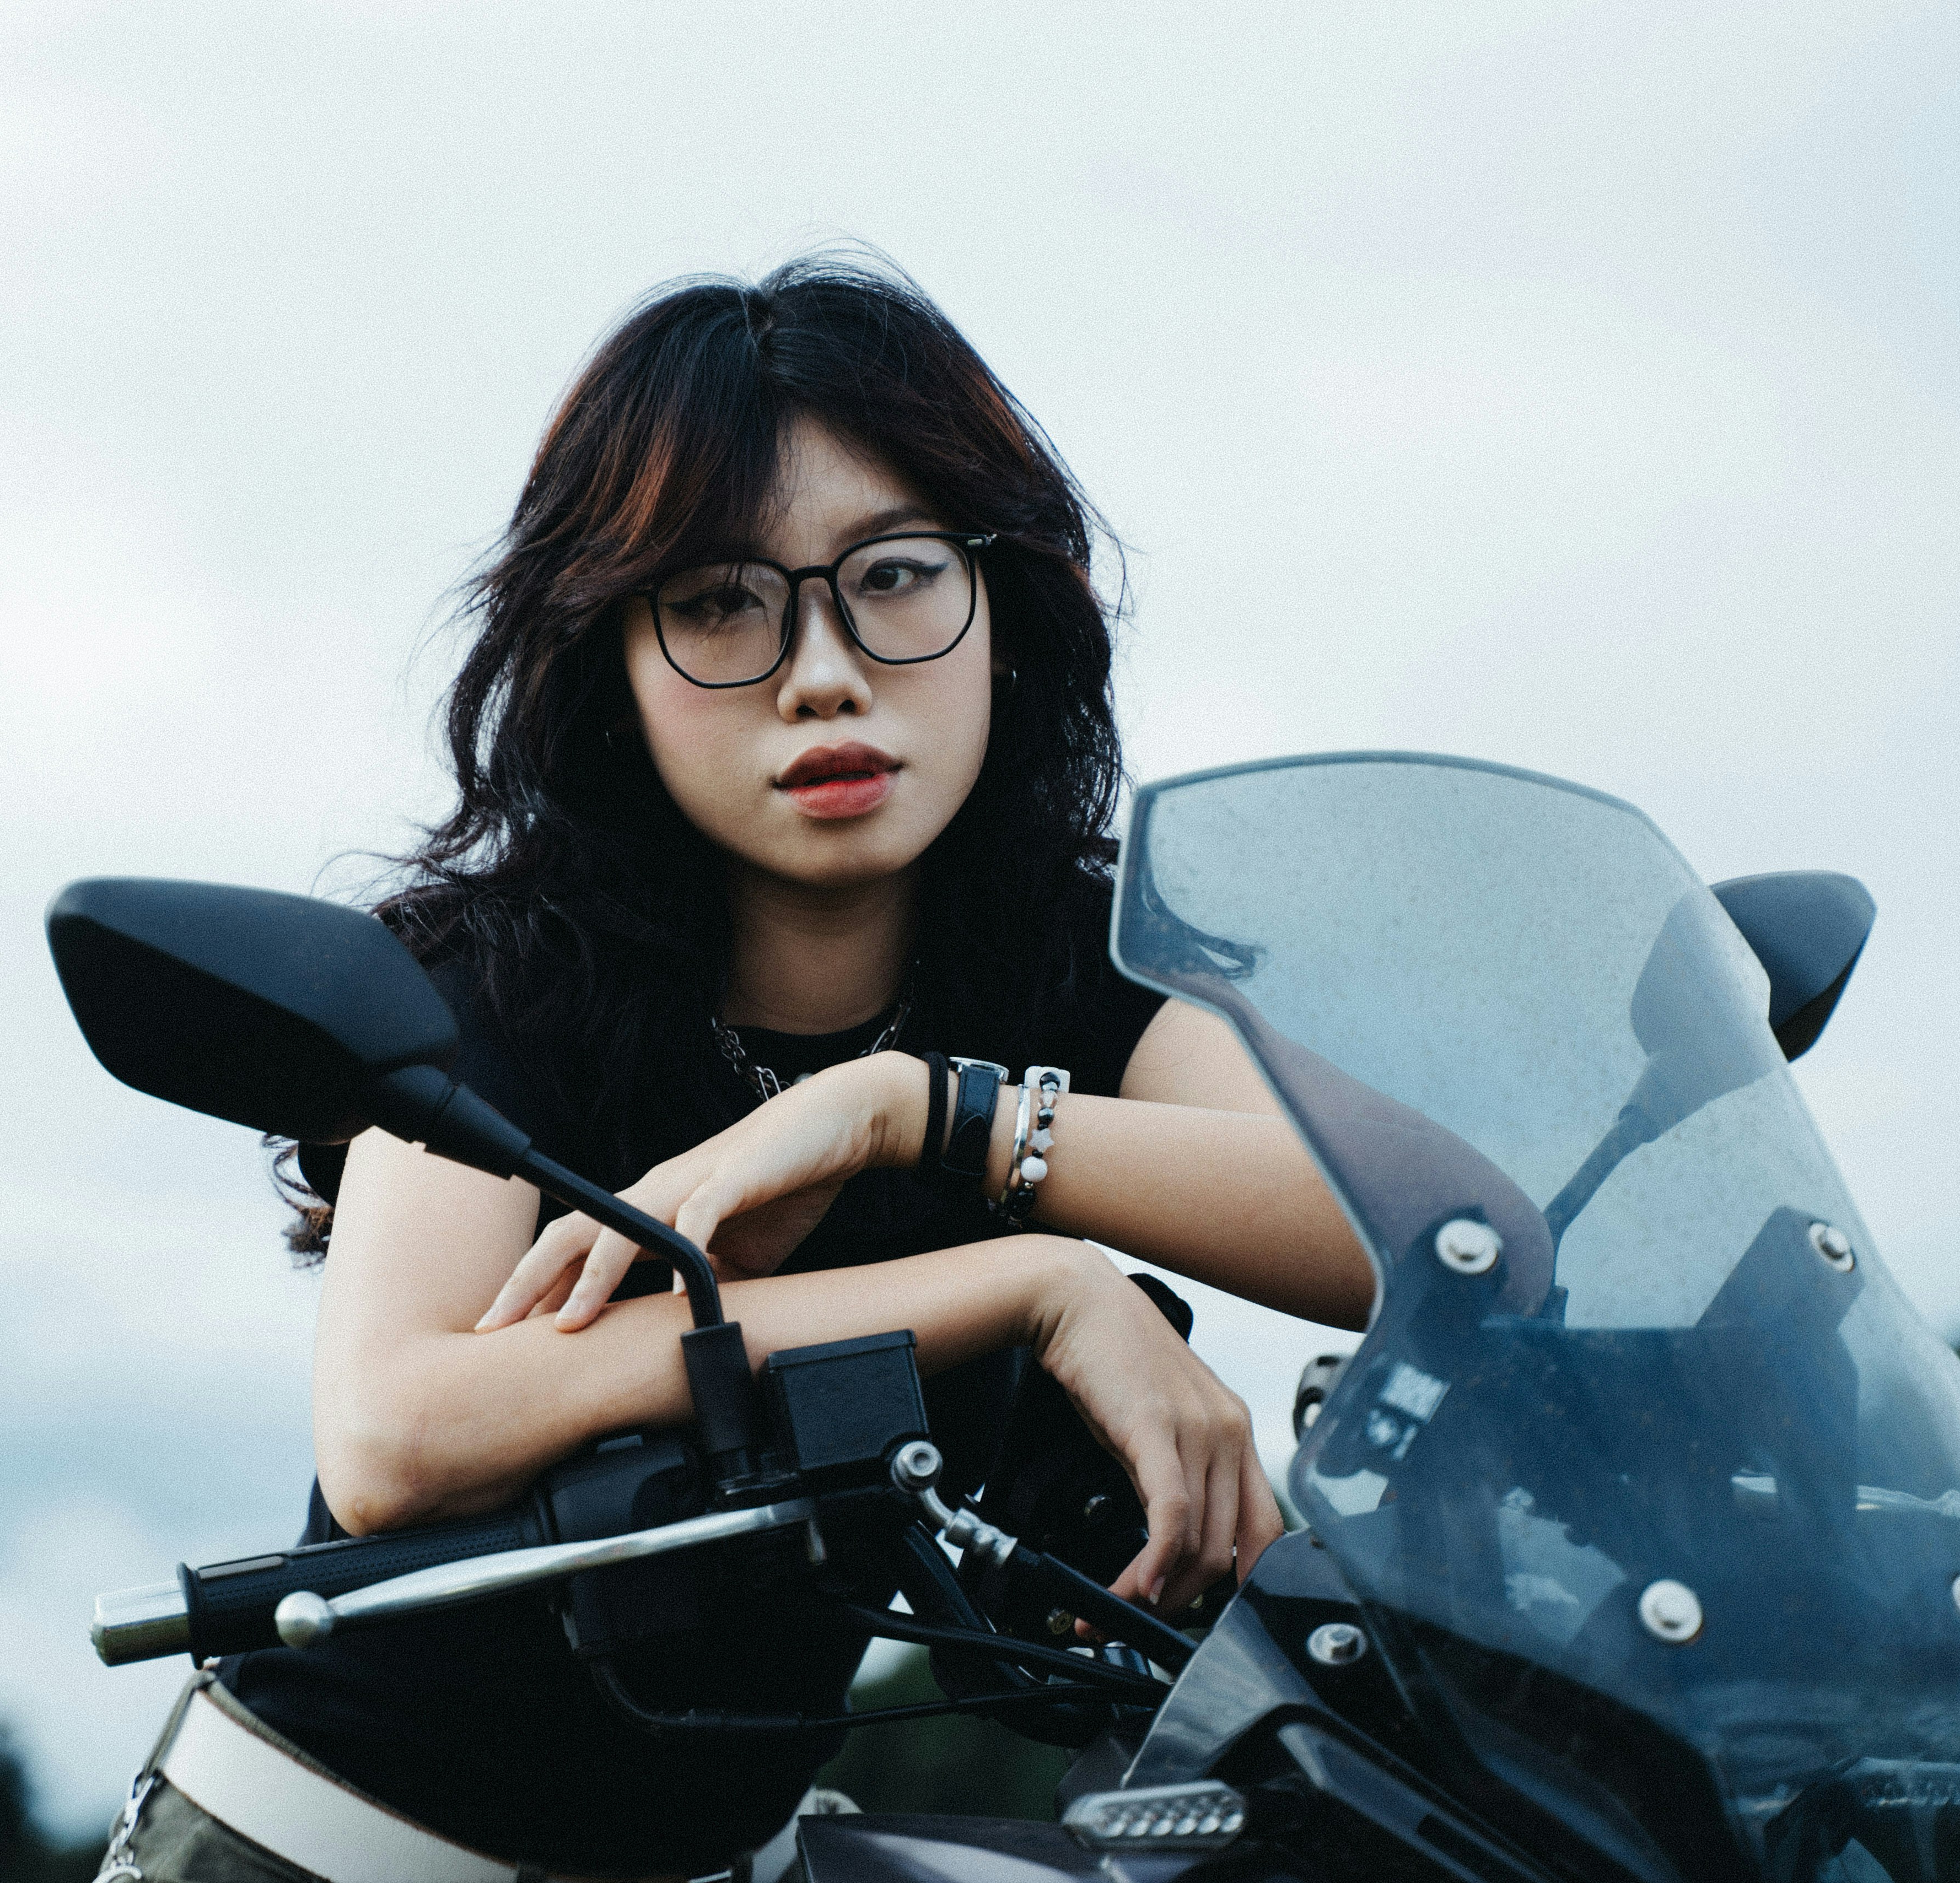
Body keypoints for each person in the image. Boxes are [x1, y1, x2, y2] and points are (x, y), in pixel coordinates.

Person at [98, 254, 1373, 1883]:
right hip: (327, 1851)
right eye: (716, 602)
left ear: (1008, 603)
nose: (823, 668)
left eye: (897, 574)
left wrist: (913, 1109)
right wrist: (1029, 1284)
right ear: (610, 664)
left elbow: (1380, 1237)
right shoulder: (502, 974)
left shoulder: (1073, 962)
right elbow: (400, 1429)